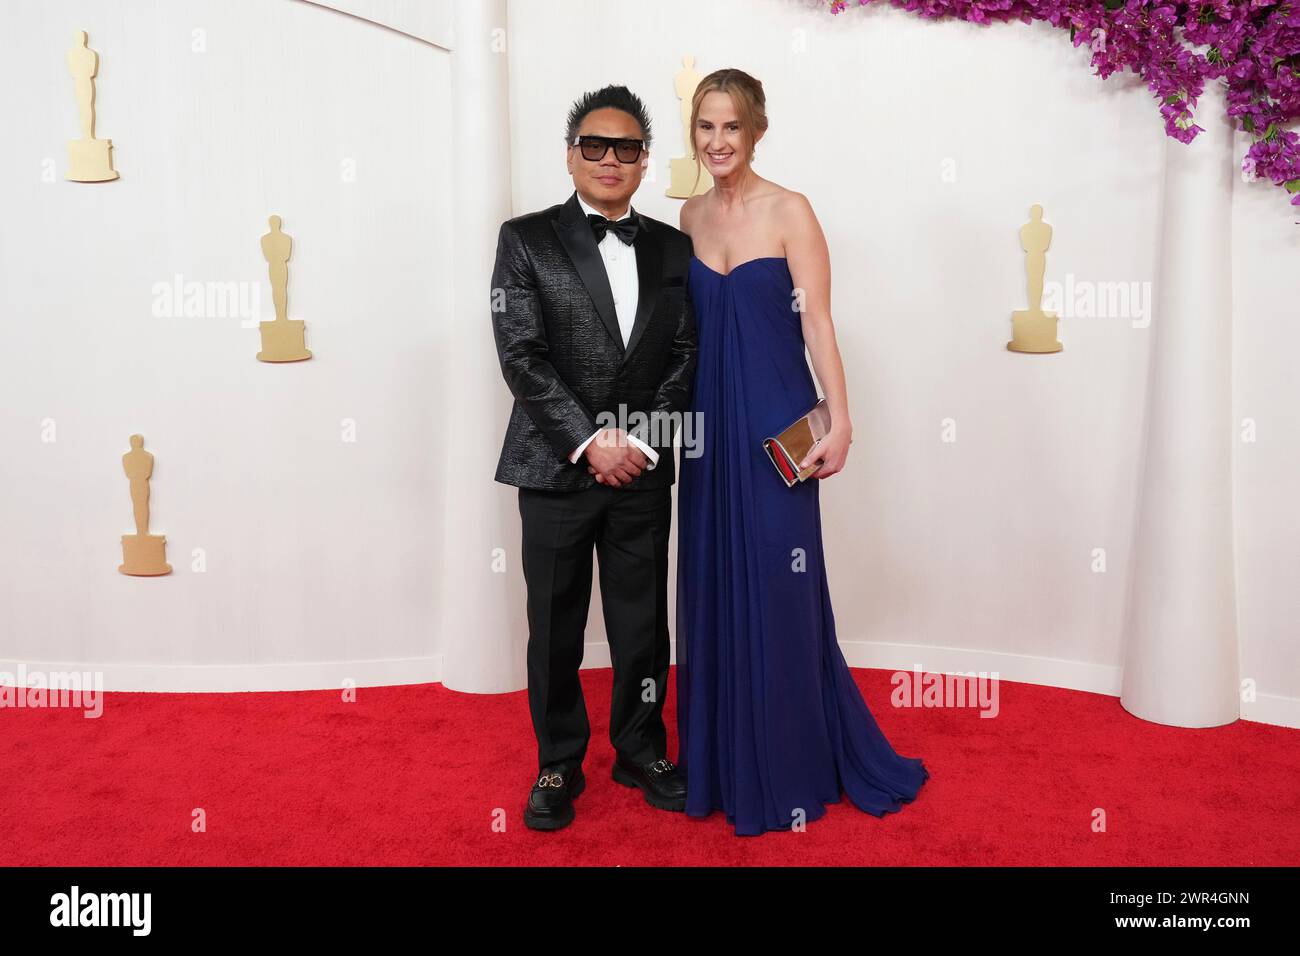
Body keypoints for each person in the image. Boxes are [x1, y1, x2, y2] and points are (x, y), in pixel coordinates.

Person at [673, 68, 930, 835]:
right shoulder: (686, 215)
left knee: (781, 586)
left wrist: (841, 420)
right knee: (713, 578)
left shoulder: (791, 211)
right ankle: (720, 761)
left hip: (776, 426)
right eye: (705, 127)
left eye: (732, 128)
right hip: (706, 429)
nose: (718, 142)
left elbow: (818, 322)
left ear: (755, 131)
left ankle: (789, 761)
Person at [490, 85, 698, 831]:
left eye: (627, 147)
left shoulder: (676, 247)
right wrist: (589, 441)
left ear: (644, 161)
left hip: (641, 469)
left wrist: (636, 443)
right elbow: (521, 355)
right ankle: (557, 761)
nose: (610, 159)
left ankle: (643, 749)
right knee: (555, 625)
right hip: (554, 467)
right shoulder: (525, 239)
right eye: (594, 145)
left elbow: (685, 356)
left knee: (643, 626)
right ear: (571, 154)